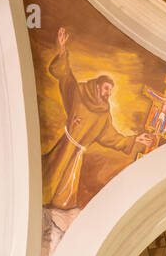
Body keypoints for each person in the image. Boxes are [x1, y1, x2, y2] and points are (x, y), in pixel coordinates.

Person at [42, 28, 150, 210]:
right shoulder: (79, 95)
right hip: (65, 146)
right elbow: (66, 78)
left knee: (64, 194)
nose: (108, 93)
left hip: (77, 153)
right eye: (106, 88)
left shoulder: (103, 115)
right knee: (48, 176)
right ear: (98, 86)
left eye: (110, 91)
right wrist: (62, 51)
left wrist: (134, 139)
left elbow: (111, 137)